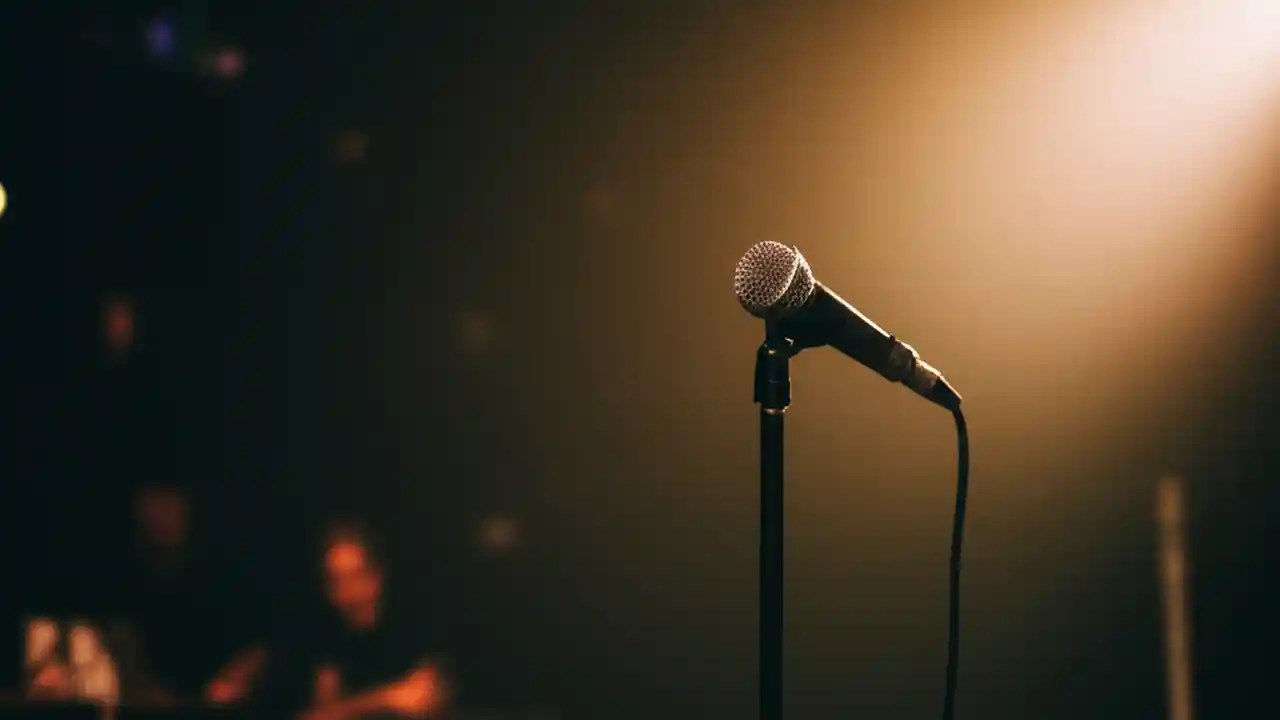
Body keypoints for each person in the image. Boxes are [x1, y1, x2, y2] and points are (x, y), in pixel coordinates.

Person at [208, 519, 450, 719]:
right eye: (336, 581)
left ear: (377, 576)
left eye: (356, 576)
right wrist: (387, 698)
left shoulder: (416, 626)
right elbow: (320, 714)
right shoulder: (328, 634)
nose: (347, 594)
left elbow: (426, 701)